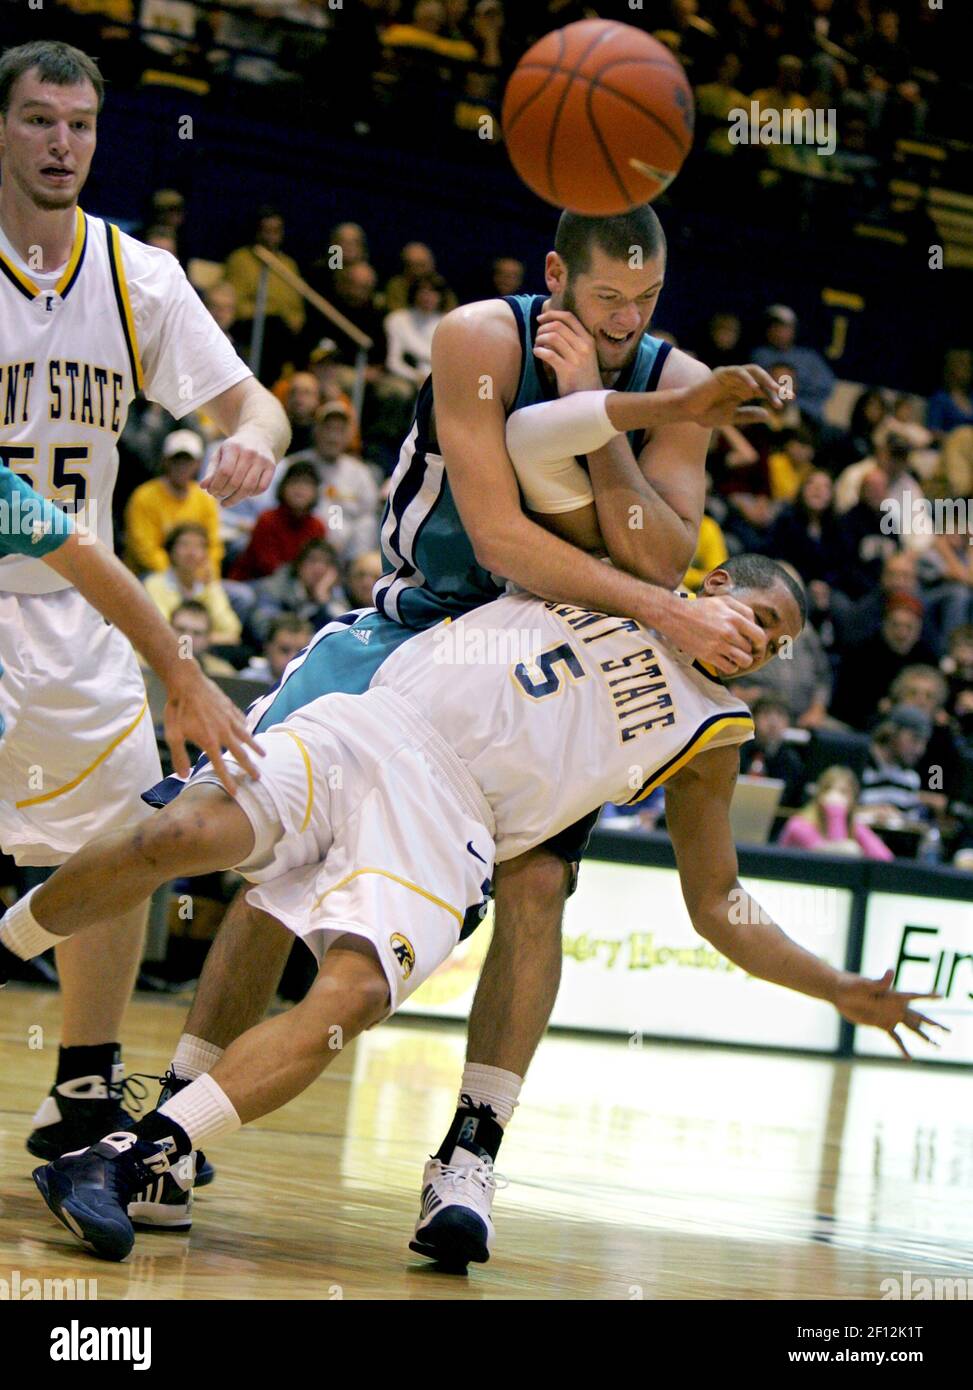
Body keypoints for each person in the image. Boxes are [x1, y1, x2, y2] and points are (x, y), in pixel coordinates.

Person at [54, 203, 781, 1249]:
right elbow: (501, 540)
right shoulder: (483, 338)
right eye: (607, 297)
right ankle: (170, 1129)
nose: (627, 319)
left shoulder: (677, 385)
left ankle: (468, 1155)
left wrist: (597, 405)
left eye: (646, 299)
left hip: (546, 651)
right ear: (554, 277)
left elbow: (662, 555)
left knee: (538, 889)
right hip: (420, 623)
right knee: (267, 862)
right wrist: (653, 581)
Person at [14, 559, 943, 1262]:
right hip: (372, 722)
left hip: (453, 821)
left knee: (347, 999)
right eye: (760, 617)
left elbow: (716, 903)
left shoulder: (713, 730)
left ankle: (128, 1160)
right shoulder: (604, 568)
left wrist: (834, 988)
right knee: (178, 837)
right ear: (711, 585)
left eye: (777, 644)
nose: (761, 645)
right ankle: (12, 940)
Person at [0, 40, 288, 1167]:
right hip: (62, 574)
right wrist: (175, 663)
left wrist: (252, 440)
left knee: (116, 839)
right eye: (38, 119)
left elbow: (255, 403)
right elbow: (41, 528)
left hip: (80, 612)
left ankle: (80, 1090)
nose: (62, 143)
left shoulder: (138, 277)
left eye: (80, 123)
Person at [0, 462, 259, 792]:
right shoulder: (156, 582)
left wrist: (183, 676)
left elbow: (77, 553)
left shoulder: (211, 589)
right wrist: (183, 676)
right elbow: (78, 556)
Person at [124, 430, 223, 577]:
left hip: (195, 575)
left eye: (188, 461)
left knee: (239, 592)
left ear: (197, 464)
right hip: (152, 574)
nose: (182, 466)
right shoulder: (144, 497)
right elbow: (144, 551)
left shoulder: (205, 498)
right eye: (176, 460)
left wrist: (204, 572)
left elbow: (214, 546)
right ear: (166, 461)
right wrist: (179, 575)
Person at [143, 523, 242, 644]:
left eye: (198, 546)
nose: (191, 552)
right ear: (171, 551)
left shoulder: (208, 586)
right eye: (184, 545)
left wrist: (211, 589)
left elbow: (232, 630)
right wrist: (201, 639)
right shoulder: (155, 584)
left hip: (203, 650)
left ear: (206, 555)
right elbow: (162, 631)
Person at [229, 461, 326, 581]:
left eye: (307, 484)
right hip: (255, 582)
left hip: (297, 584)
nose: (300, 488)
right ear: (283, 487)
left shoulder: (318, 527)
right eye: (295, 482)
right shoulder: (268, 520)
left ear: (316, 492)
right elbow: (267, 567)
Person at [780, 766, 894, 860]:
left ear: (853, 799)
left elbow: (884, 858)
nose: (835, 797)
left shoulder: (854, 826)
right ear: (819, 795)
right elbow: (834, 861)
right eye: (828, 790)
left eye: (843, 792)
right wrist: (835, 813)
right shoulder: (799, 824)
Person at [751, 305, 835, 424]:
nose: (778, 332)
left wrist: (795, 388)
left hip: (805, 416)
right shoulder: (760, 355)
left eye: (783, 327)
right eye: (773, 327)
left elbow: (826, 386)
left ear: (793, 330)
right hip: (769, 415)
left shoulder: (808, 357)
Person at [738, 694, 806, 807]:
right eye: (766, 714)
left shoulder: (792, 762)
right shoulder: (738, 752)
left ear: (788, 722)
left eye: (780, 715)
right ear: (753, 718)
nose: (773, 722)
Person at [384, 273, 448, 390]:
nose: (428, 297)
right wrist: (416, 376)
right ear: (414, 293)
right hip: (410, 377)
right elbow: (393, 362)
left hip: (442, 378)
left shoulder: (448, 321)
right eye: (423, 291)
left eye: (433, 292)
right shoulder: (397, 319)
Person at [169, 600, 238, 680]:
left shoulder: (223, 673)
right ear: (167, 630)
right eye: (180, 630)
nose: (188, 638)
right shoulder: (155, 666)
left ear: (207, 639)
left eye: (197, 633)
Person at [237, 615, 313, 686]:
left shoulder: (316, 687)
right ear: (267, 648)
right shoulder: (245, 682)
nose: (292, 659)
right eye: (284, 650)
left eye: (301, 652)